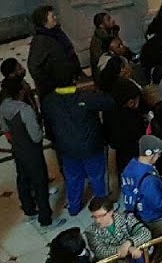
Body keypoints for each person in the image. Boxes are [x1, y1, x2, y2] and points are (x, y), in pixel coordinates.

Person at [41, 67, 114, 218]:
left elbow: (48, 126)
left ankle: (73, 207)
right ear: (74, 80)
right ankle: (102, 206)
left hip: (66, 149)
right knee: (97, 176)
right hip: (91, 147)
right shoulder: (86, 97)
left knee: (73, 178)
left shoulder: (48, 101)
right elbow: (109, 102)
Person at [0, 75, 53, 227]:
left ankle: (29, 210)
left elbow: (5, 128)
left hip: (17, 149)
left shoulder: (4, 106)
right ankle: (45, 219)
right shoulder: (25, 109)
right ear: (21, 91)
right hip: (32, 151)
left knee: (22, 179)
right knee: (40, 183)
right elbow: (36, 137)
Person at [83, 196, 152, 263]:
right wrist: (127, 248)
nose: (98, 221)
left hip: (135, 260)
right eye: (94, 217)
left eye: (101, 216)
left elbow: (145, 233)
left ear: (111, 211)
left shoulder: (126, 219)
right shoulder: (91, 232)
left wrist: (129, 242)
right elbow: (101, 252)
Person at [120, 135, 162, 233]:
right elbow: (159, 205)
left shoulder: (130, 166)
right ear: (151, 155)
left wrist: (160, 179)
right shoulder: (150, 180)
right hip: (153, 218)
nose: (159, 157)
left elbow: (138, 184)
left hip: (137, 212)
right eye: (158, 154)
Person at [27, 5, 81, 96]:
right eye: (52, 16)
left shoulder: (57, 34)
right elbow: (34, 67)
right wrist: (50, 83)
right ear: (44, 21)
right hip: (56, 89)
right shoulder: (41, 41)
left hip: (68, 82)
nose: (55, 18)